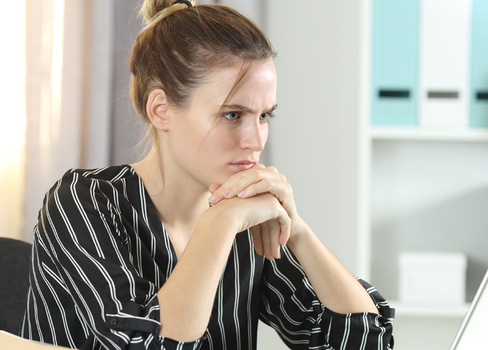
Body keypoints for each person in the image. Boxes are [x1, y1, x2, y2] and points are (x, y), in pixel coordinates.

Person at [20, 1, 394, 349]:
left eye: (264, 116)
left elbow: (368, 341)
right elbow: (145, 343)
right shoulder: (83, 202)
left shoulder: (249, 215)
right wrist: (218, 224)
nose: (255, 139)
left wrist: (298, 231)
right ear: (161, 109)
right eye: (232, 115)